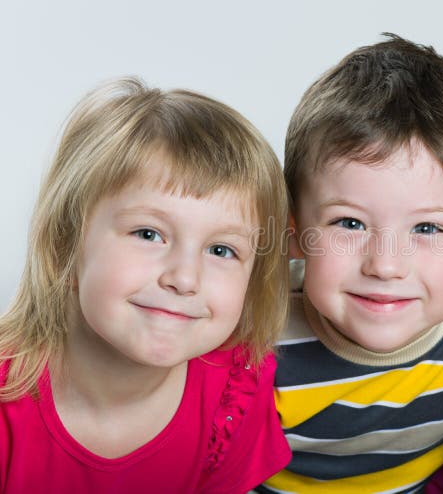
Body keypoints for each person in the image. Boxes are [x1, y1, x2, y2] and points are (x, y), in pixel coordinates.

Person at [0, 78, 291, 492]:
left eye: (221, 250)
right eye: (149, 234)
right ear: (66, 241)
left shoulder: (233, 392)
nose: (184, 279)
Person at [259, 35, 443, 493]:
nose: (386, 266)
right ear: (294, 233)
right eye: (349, 223)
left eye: (427, 228)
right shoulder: (259, 332)